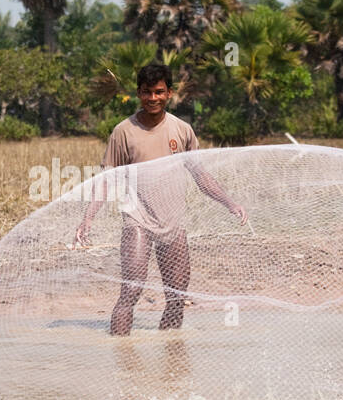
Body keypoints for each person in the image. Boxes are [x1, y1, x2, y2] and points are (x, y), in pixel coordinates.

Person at [75, 63, 246, 336]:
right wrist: (87, 218)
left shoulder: (182, 130)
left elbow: (200, 175)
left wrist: (230, 203)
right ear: (138, 94)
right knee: (131, 290)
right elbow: (106, 179)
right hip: (138, 220)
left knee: (177, 296)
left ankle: (172, 359)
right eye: (146, 92)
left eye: (158, 92)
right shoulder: (123, 132)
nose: (152, 99)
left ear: (169, 93)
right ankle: (121, 354)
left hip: (173, 222)